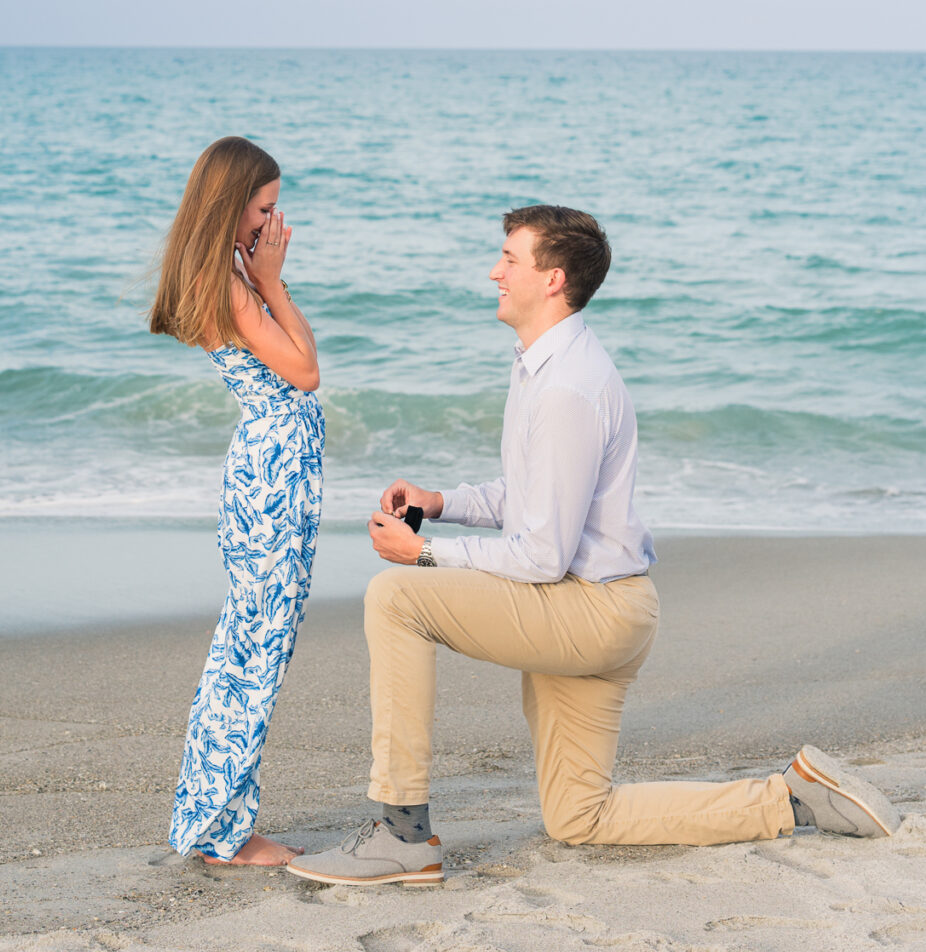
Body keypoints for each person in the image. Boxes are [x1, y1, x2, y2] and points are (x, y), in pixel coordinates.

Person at [286, 204, 901, 886]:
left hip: (591, 611)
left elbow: (542, 555)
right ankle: (792, 798)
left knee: (396, 597)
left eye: (510, 259)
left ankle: (402, 833)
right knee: (580, 817)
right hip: (594, 606)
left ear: (551, 279)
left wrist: (425, 554)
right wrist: (442, 503)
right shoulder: (546, 367)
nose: (495, 271)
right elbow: (534, 503)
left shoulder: (568, 387)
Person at [150, 135, 323, 869]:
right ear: (231, 203)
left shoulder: (225, 274)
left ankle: (210, 818)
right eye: (264, 207)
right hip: (272, 479)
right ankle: (226, 833)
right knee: (255, 653)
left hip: (271, 474)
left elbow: (303, 365)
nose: (272, 222)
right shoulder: (230, 284)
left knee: (250, 648)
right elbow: (306, 372)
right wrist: (275, 284)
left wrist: (268, 281)